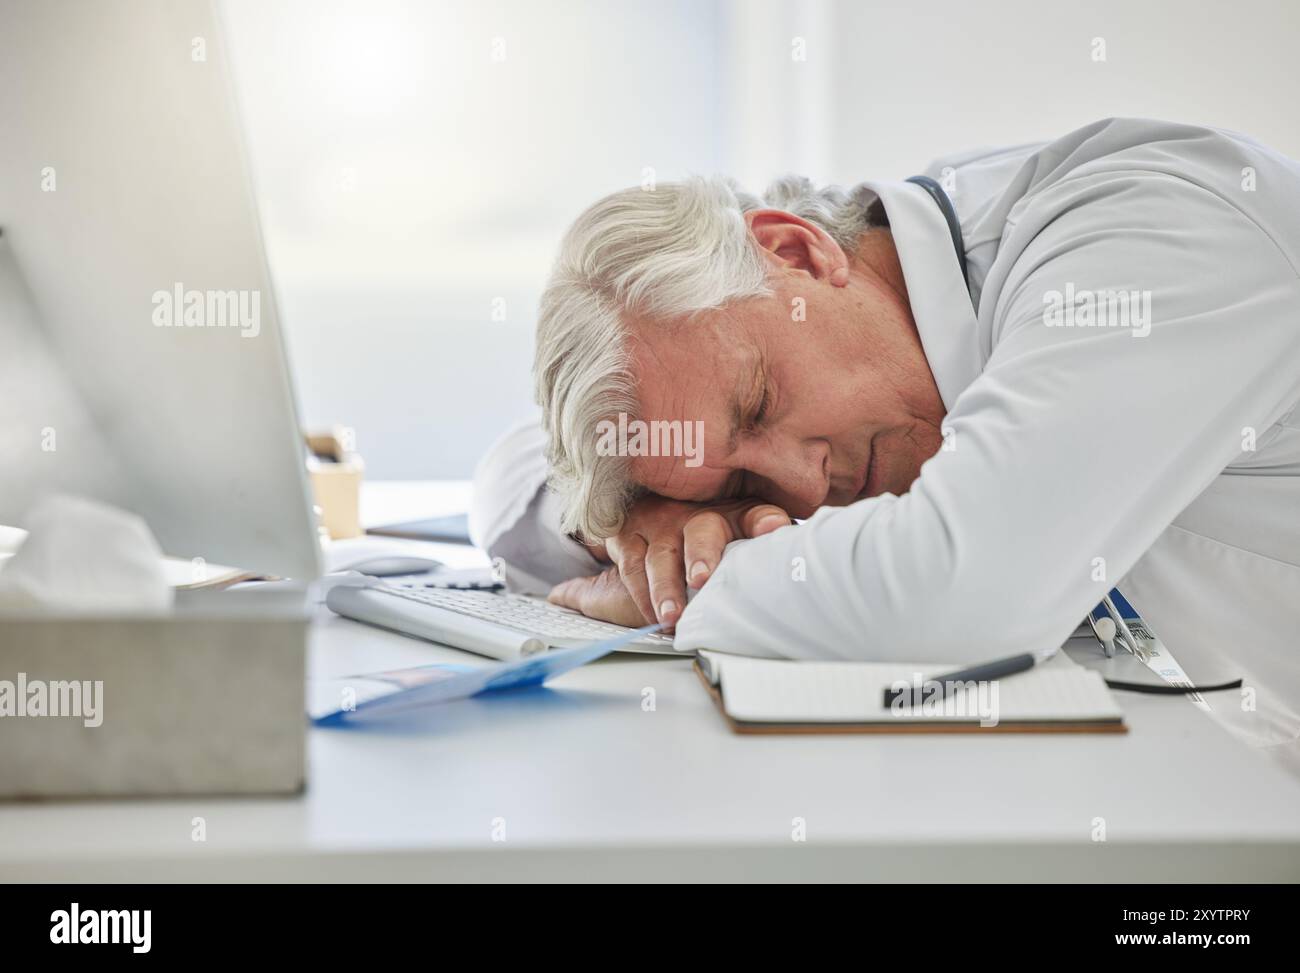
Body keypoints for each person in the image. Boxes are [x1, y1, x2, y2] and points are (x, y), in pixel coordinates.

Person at [470, 117, 1300, 768]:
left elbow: (964, 592)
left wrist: (680, 594)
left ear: (795, 250)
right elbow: (511, 471)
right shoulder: (844, 315)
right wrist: (636, 521)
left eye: (759, 403)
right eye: (730, 487)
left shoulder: (1140, 230)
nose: (799, 485)